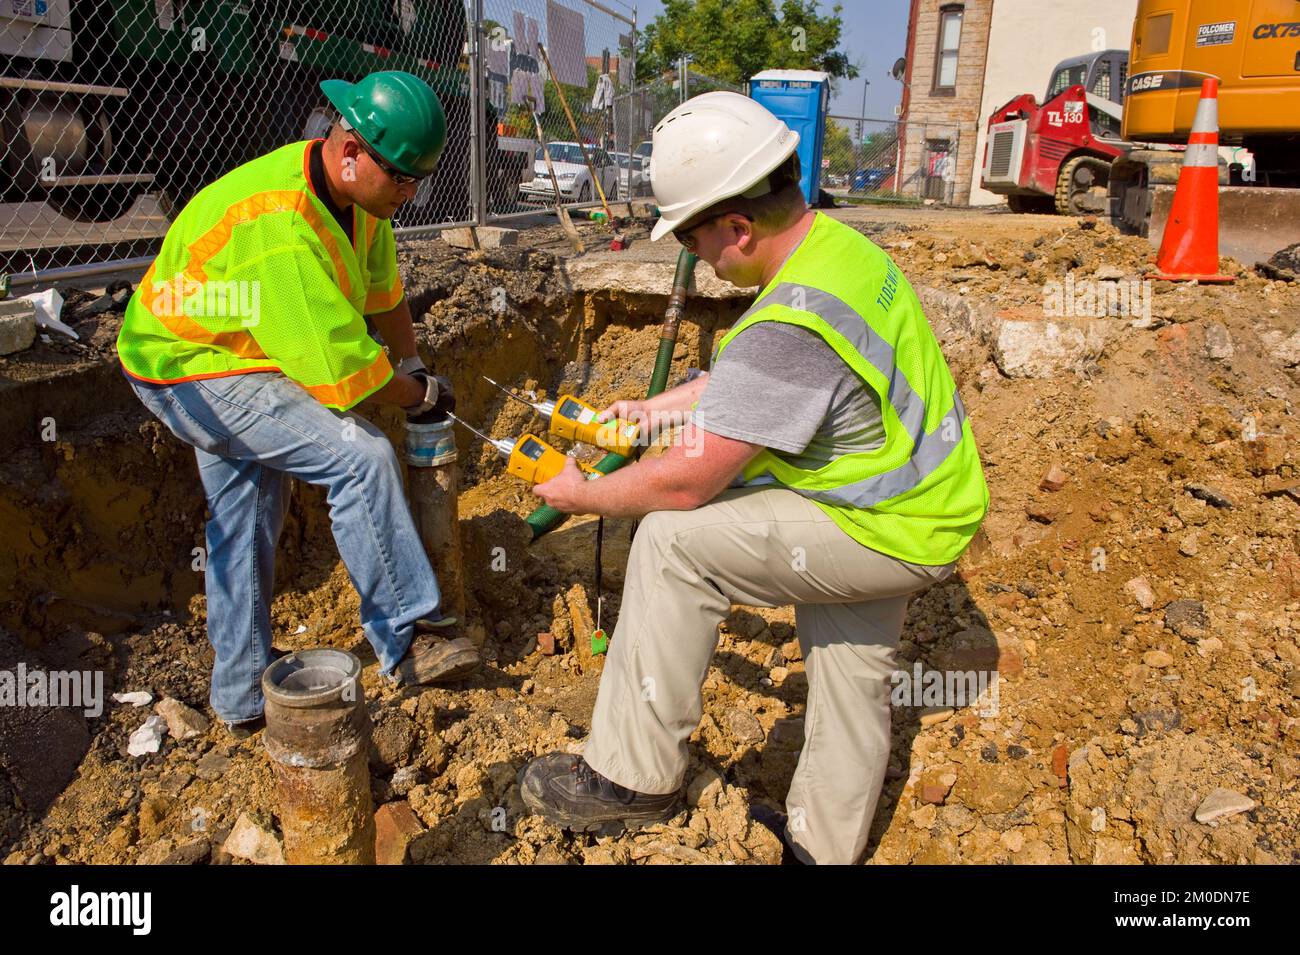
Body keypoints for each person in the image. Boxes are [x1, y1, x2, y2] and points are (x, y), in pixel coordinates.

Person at [520, 91, 988, 864]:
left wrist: (583, 494)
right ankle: (819, 846)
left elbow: (686, 486)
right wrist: (652, 410)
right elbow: (759, 384)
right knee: (850, 666)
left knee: (673, 543)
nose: (698, 257)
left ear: (739, 226)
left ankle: (630, 778)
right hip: (922, 502)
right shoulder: (835, 251)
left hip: (879, 518)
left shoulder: (785, 325)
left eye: (698, 239)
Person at [115, 71, 480, 736]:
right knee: (360, 456)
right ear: (350, 153)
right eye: (402, 177)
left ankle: (240, 691)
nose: (412, 192)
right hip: (182, 364)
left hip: (234, 351)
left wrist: (416, 366)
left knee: (248, 507)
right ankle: (408, 637)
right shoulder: (283, 225)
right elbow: (348, 380)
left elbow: (384, 295)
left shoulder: (364, 203)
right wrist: (416, 394)